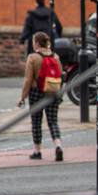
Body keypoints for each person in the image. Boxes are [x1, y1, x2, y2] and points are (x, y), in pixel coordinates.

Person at [18, 31, 64, 162]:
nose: (33, 44)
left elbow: (28, 80)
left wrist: (22, 97)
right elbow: (60, 75)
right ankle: (58, 146)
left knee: (36, 122)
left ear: (37, 43)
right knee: (53, 121)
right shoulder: (55, 57)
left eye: (33, 42)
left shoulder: (33, 58)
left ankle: (37, 151)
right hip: (53, 91)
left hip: (36, 92)